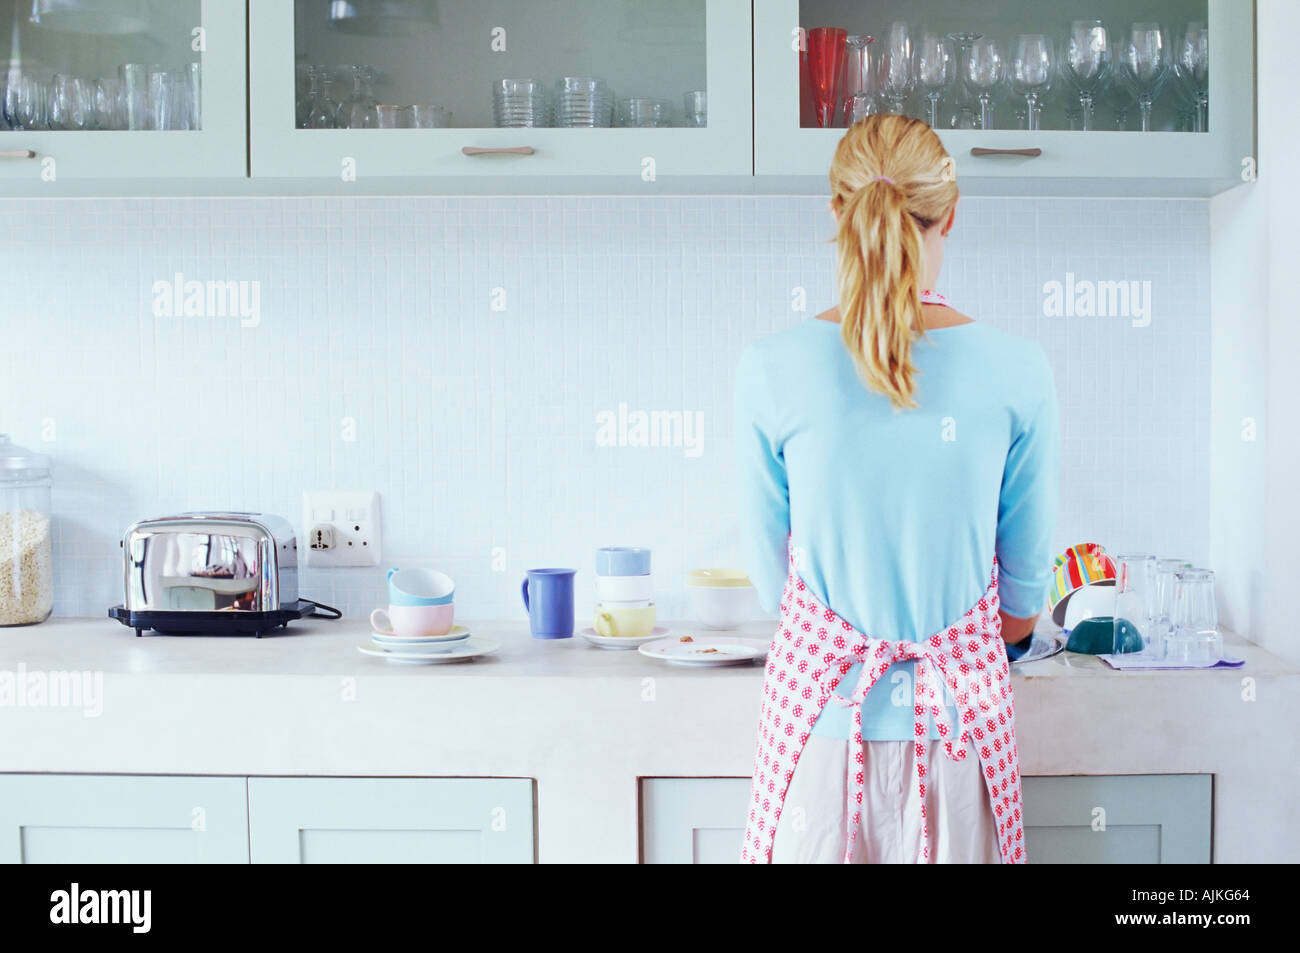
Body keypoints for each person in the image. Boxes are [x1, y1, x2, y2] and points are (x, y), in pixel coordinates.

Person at [733, 115, 1059, 864]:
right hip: (957, 746)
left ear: (834, 213)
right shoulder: (1019, 369)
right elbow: (1022, 602)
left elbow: (773, 590)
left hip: (820, 746)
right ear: (951, 214)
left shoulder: (768, 368)